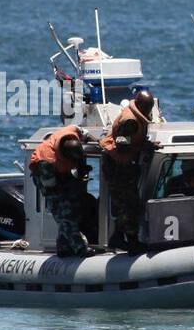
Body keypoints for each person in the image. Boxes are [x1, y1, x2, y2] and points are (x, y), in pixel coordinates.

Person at [100, 90, 157, 252]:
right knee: (129, 204)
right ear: (139, 105)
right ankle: (132, 241)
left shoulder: (135, 117)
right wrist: (143, 146)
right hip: (117, 165)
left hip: (123, 164)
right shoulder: (130, 120)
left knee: (128, 203)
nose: (148, 110)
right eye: (146, 106)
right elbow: (121, 142)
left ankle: (117, 237)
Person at [28, 124, 97, 257]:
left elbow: (84, 132)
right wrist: (71, 185)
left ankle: (63, 246)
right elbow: (52, 187)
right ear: (64, 155)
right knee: (64, 214)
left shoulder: (71, 131)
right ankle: (80, 247)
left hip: (62, 174)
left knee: (75, 207)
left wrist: (95, 141)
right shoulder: (47, 160)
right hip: (48, 181)